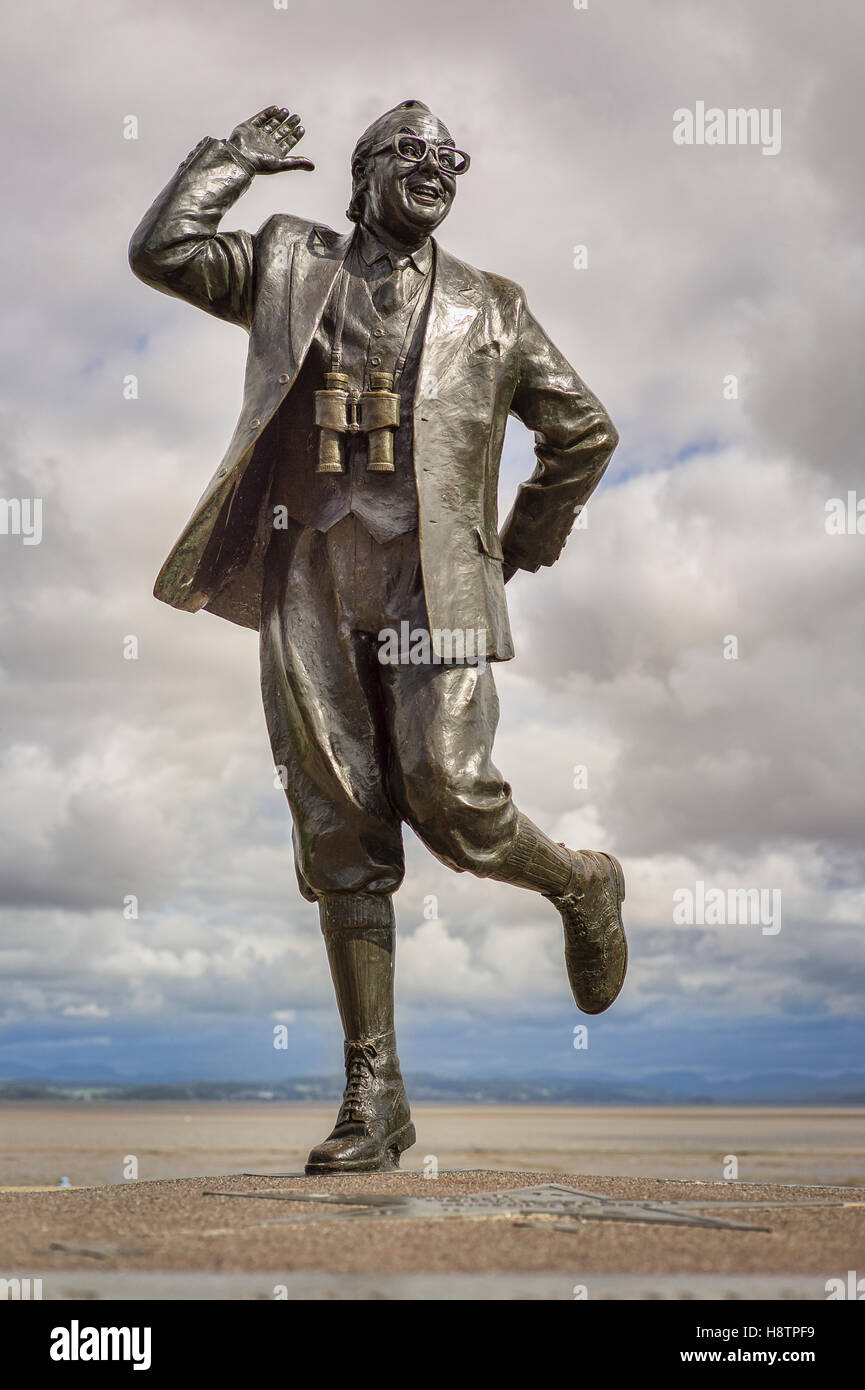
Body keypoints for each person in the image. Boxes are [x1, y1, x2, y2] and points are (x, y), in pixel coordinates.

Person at [129, 99, 626, 1173]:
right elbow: (163, 251)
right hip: (309, 565)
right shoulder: (285, 262)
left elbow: (582, 429)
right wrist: (227, 166)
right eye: (410, 152)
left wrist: (517, 544)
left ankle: (582, 883)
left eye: (449, 156)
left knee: (451, 795)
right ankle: (376, 1095)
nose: (436, 167)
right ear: (359, 175)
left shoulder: (493, 307)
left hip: (427, 583)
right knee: (338, 823)